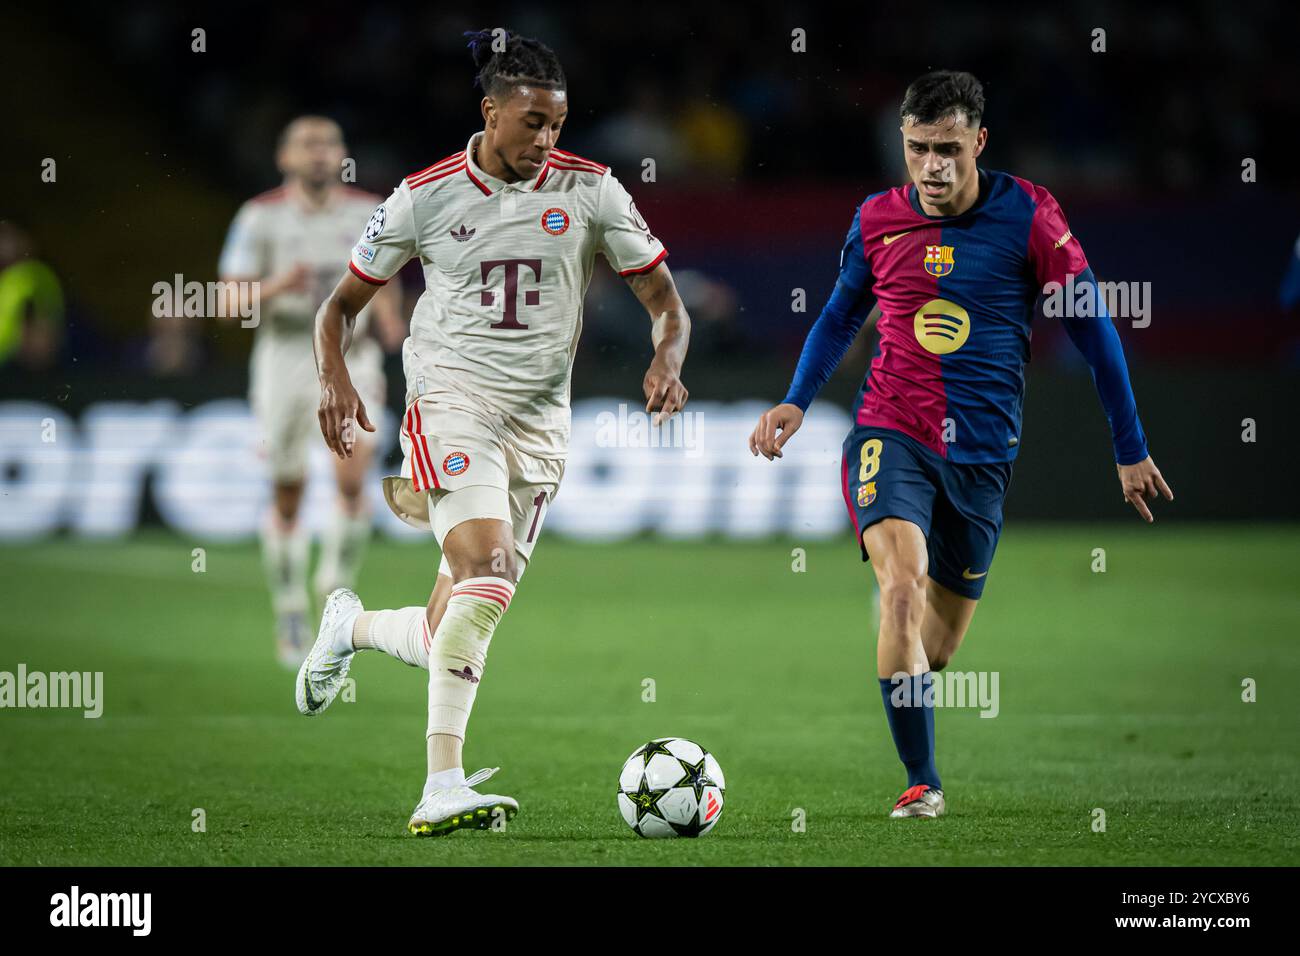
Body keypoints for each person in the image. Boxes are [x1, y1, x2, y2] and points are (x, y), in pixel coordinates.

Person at [297, 30, 692, 837]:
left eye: (558, 124)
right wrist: (335, 377)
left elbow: (667, 305)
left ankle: (352, 627)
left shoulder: (593, 191)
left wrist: (666, 361)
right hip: (450, 400)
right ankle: (441, 785)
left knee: (462, 615)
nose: (545, 140)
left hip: (541, 427)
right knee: (490, 569)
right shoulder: (424, 195)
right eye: (531, 122)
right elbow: (337, 307)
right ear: (490, 111)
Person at [749, 71, 1173, 818]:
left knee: (934, 649)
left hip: (982, 456)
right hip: (890, 430)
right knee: (902, 595)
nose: (933, 166)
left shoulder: (1031, 217)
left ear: (978, 141)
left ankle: (898, 629)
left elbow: (1095, 330)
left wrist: (1129, 445)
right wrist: (796, 398)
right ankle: (923, 782)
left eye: (947, 149)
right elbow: (842, 315)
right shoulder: (877, 219)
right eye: (918, 149)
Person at [219, 116, 404, 666]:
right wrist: (279, 284)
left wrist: (390, 321)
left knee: (352, 476)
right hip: (285, 359)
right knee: (288, 492)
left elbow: (387, 276)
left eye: (329, 144)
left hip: (352, 354)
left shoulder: (368, 210)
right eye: (308, 144)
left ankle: (335, 596)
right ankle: (290, 604)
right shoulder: (259, 217)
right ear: (285, 158)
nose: (321, 153)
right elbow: (228, 303)